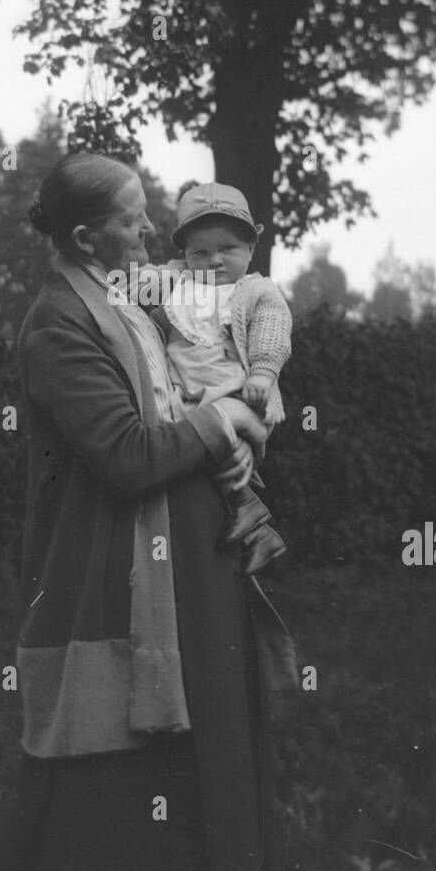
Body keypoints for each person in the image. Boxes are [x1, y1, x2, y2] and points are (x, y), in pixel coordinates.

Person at [0, 152, 296, 871]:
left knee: (205, 741)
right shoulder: (60, 323)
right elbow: (127, 456)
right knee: (117, 765)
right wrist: (224, 415)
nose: (151, 227)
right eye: (133, 219)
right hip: (113, 569)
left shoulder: (124, 302)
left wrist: (242, 476)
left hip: (186, 559)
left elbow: (198, 379)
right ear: (89, 237)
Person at [133, 181, 293, 576]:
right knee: (199, 458)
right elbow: (140, 281)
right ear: (185, 255)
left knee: (220, 456)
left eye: (227, 249)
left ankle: (253, 525)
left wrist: (262, 371)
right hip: (184, 391)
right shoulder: (180, 282)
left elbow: (272, 331)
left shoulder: (256, 291)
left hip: (233, 388)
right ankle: (253, 529)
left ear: (251, 248)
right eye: (200, 252)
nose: (214, 262)